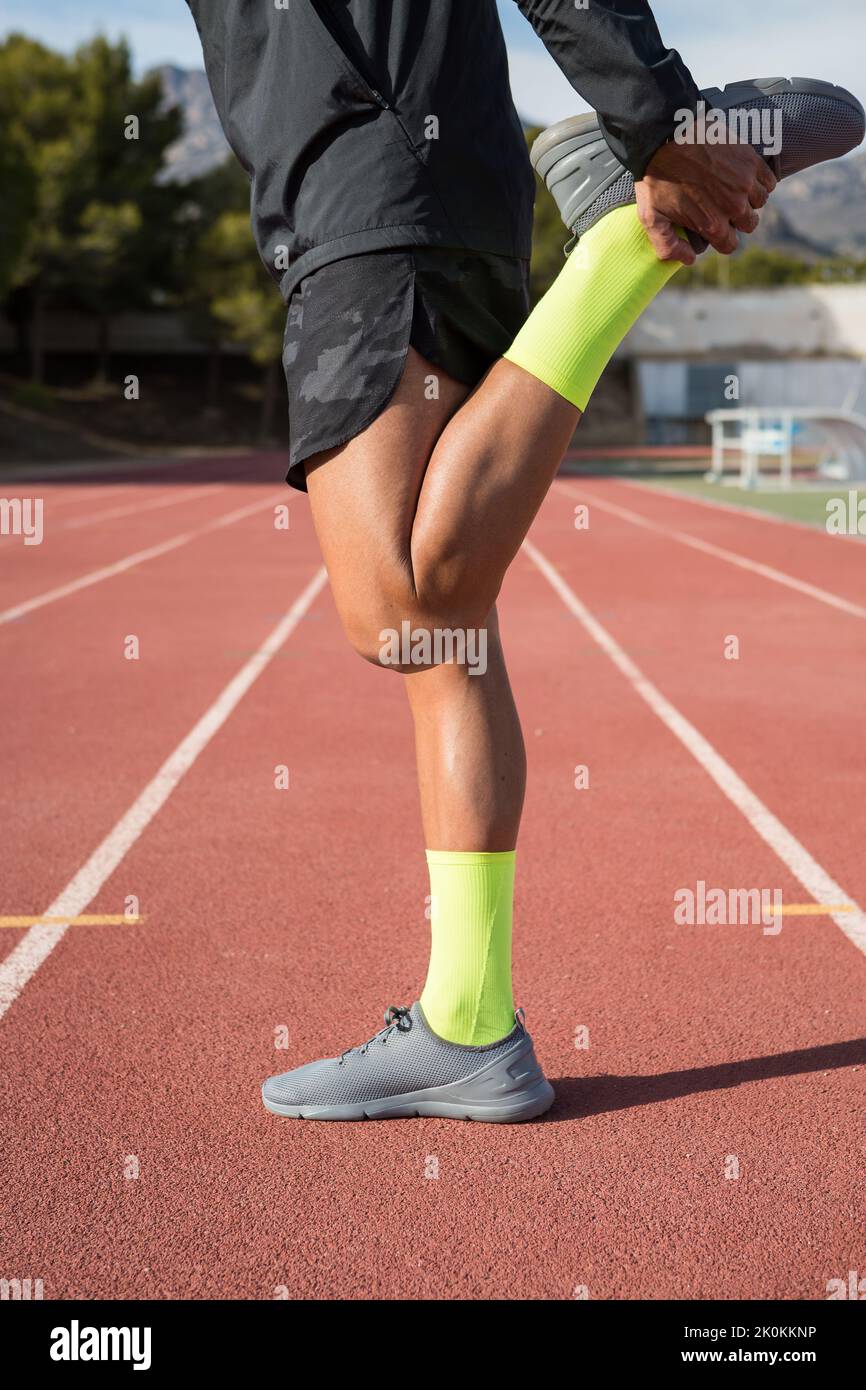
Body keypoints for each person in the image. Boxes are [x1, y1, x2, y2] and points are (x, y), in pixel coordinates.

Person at [184, 0, 864, 1122]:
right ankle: (469, 1022)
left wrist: (660, 118)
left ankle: (619, 248)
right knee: (450, 643)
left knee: (401, 612)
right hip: (422, 184)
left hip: (365, 184)